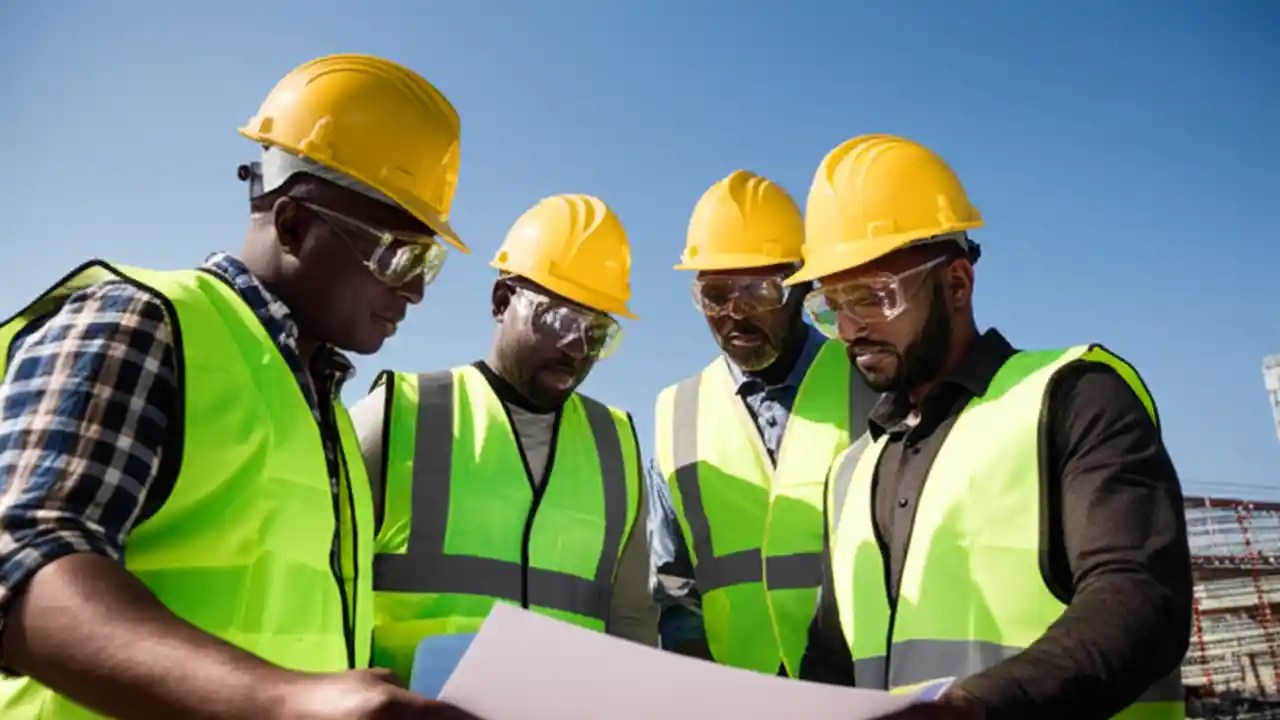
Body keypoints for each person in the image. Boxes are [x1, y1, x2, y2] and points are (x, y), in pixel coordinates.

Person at [0, 53, 480, 719]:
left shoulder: (323, 409)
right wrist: (284, 702)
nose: (418, 288)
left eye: (427, 260)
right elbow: (21, 556)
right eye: (399, 254)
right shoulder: (141, 322)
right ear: (293, 225)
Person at [793, 133, 1192, 718]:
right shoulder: (852, 471)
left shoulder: (1074, 397)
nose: (849, 328)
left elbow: (1138, 597)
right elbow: (831, 659)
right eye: (830, 305)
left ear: (957, 284)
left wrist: (977, 708)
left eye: (874, 297)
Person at [350, 193, 656, 682]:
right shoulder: (398, 413)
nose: (576, 347)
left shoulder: (615, 445)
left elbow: (631, 619)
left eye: (596, 334)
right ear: (501, 301)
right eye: (558, 318)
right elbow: (326, 592)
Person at [648, 170, 877, 677]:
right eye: (716, 294)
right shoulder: (675, 413)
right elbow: (675, 583)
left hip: (866, 689)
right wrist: (698, 684)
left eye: (761, 291)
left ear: (804, 286)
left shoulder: (871, 381)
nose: (736, 314)